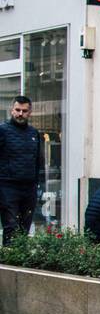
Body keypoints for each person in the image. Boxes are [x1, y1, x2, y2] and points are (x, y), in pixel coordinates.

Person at [0, 96, 44, 244]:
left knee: (24, 228)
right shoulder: (3, 130)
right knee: (10, 227)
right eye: (17, 110)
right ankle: (8, 261)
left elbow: (38, 161)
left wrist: (38, 185)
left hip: (29, 187)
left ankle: (20, 258)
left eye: (24, 111)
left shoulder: (34, 133)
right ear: (12, 110)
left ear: (29, 112)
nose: (20, 114)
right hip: (8, 187)